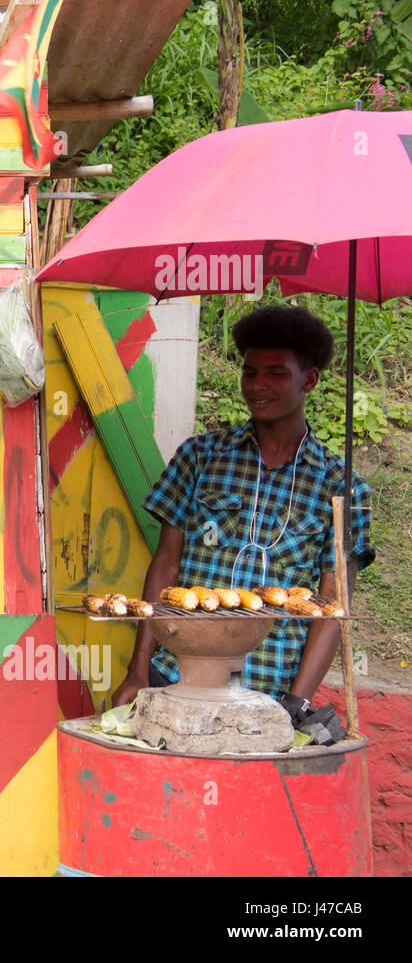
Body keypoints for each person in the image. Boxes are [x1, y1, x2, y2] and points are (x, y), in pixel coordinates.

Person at [112, 305, 374, 716]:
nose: (258, 386)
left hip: (267, 693)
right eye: (250, 373)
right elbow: (165, 565)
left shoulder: (342, 488)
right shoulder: (200, 457)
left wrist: (297, 703)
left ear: (309, 380)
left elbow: (331, 606)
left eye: (276, 373)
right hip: (174, 676)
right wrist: (138, 669)